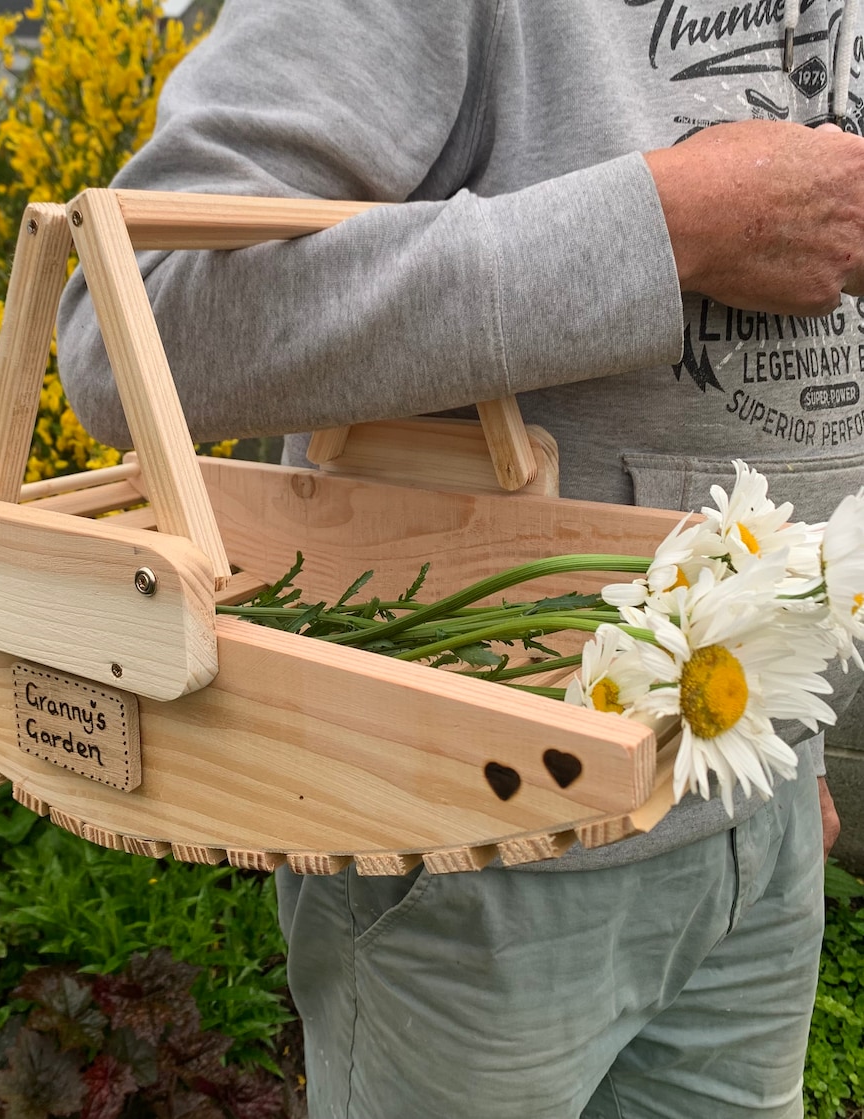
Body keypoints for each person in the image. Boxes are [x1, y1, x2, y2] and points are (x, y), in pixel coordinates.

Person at [56, 3, 864, 1116]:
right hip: (479, 849)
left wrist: (792, 747)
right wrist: (662, 227)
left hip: (749, 795)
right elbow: (133, 320)